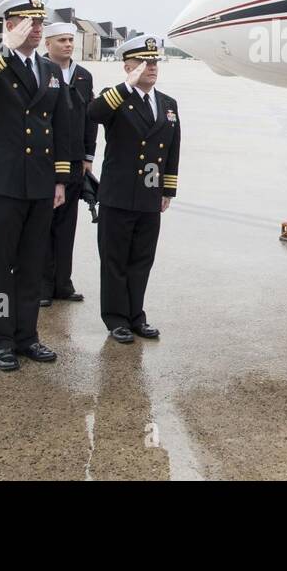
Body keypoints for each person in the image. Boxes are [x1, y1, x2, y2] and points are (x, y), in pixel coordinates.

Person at [0, 0, 73, 372]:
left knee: (30, 263)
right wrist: (3, 49)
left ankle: (27, 336)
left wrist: (60, 180)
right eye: (29, 22)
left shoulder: (51, 70)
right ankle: (1, 339)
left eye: (40, 23)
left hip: (40, 184)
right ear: (9, 25)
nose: (38, 29)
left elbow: (60, 127)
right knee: (1, 264)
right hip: (4, 183)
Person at [87, 35, 179, 344]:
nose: (151, 68)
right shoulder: (115, 97)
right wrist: (127, 85)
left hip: (149, 197)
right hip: (118, 195)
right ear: (128, 66)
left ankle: (136, 315)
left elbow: (172, 150)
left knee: (142, 259)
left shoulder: (167, 104)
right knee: (115, 260)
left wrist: (167, 190)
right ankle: (116, 319)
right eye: (143, 63)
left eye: (154, 63)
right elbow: (93, 114)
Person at [39, 22, 97, 307]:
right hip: (45, 160)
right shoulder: (39, 71)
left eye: (70, 40)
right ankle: (42, 285)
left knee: (67, 225)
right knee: (43, 225)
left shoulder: (83, 77)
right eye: (61, 40)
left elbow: (90, 120)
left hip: (75, 161)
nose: (67, 45)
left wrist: (88, 157)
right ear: (47, 44)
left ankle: (63, 282)